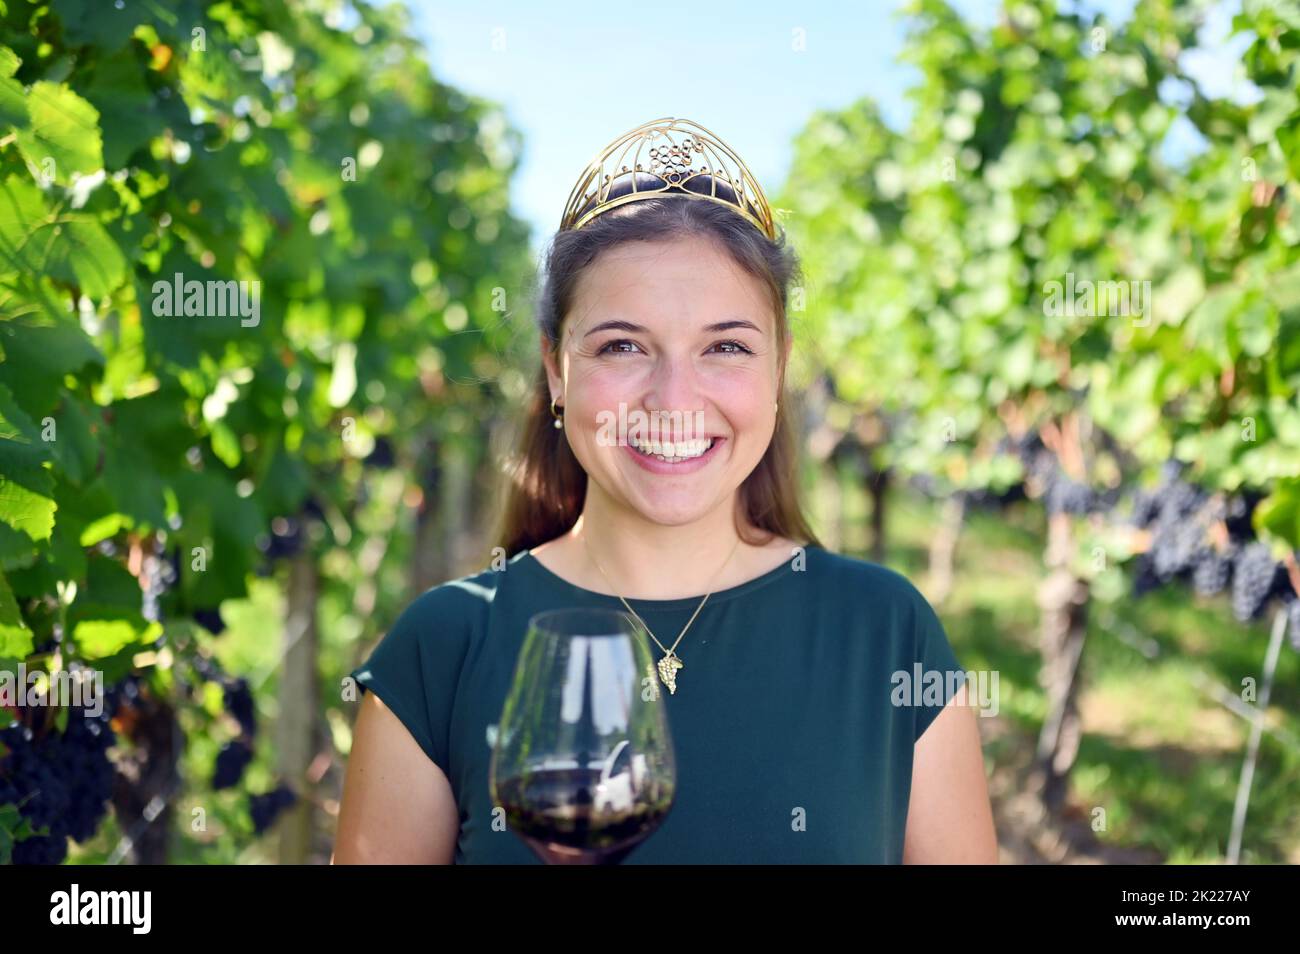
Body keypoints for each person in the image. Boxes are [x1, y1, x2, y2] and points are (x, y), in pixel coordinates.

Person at [332, 118, 997, 864]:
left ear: (776, 372)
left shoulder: (888, 634)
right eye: (622, 345)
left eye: (726, 347)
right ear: (557, 371)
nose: (674, 398)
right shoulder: (441, 649)